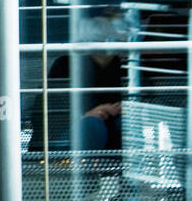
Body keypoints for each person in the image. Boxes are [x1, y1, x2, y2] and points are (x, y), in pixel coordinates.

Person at [28, 9, 127, 153]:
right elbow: (44, 118)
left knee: (125, 124)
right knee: (92, 125)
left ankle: (119, 171)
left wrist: (125, 109)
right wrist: (87, 116)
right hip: (63, 140)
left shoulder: (119, 67)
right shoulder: (66, 65)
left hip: (107, 136)